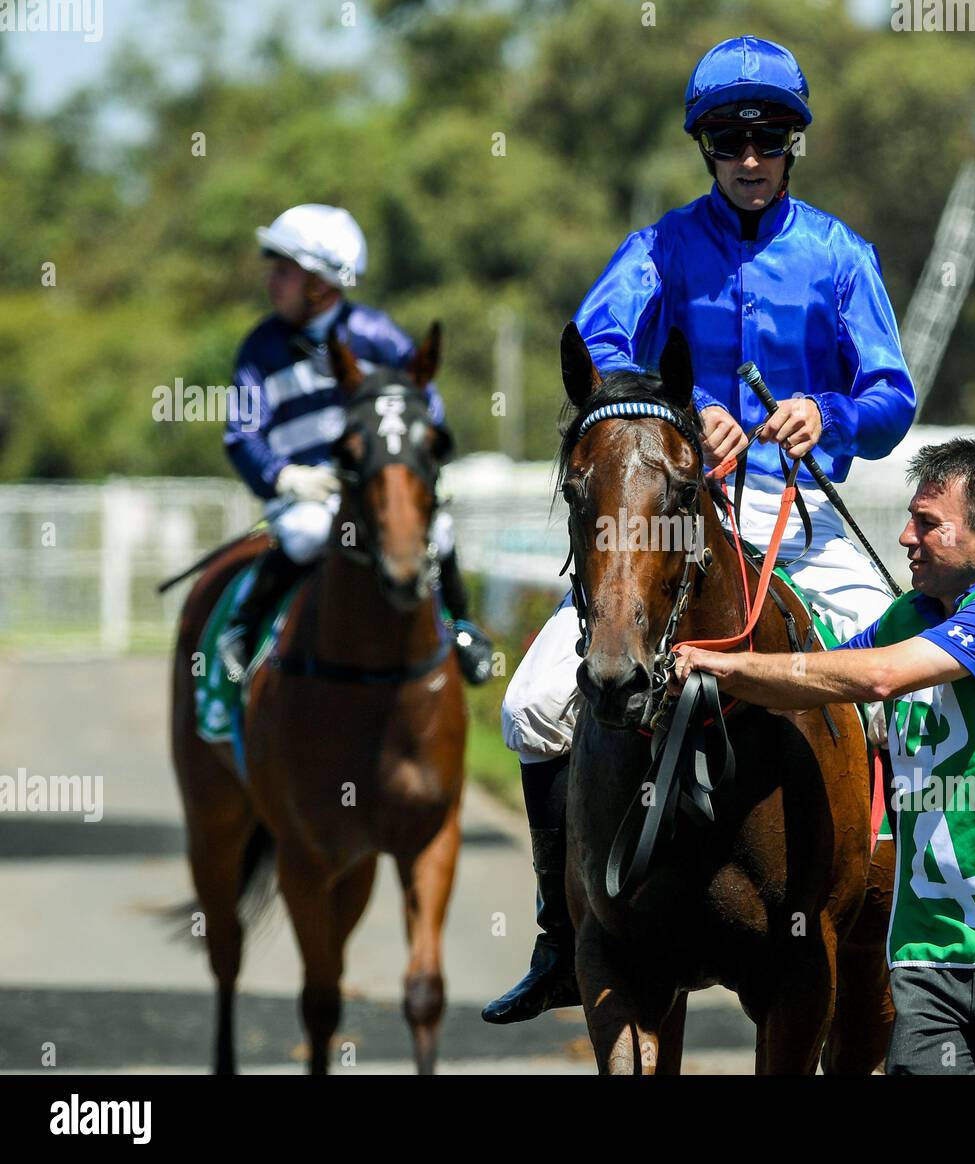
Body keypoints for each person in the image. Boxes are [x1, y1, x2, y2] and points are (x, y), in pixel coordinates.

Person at [485, 36, 916, 1024]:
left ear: (793, 145)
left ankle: (892, 930)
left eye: (768, 138)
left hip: (797, 519)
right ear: (705, 148)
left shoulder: (842, 258)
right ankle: (564, 929)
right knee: (532, 707)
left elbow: (892, 395)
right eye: (729, 140)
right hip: (666, 522)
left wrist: (830, 414)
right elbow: (599, 346)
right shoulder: (657, 251)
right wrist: (670, 412)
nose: (750, 156)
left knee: (887, 694)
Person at [672, 437, 975, 1074]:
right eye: (909, 518)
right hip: (931, 967)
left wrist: (723, 665)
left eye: (927, 523)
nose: (904, 537)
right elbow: (818, 671)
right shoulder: (913, 614)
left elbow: (876, 677)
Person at [218, 203, 494, 686]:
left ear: (320, 284)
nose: (271, 282)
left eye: (283, 272)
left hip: (377, 492)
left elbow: (425, 408)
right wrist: (285, 476)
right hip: (307, 496)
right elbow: (241, 435)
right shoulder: (258, 349)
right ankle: (242, 630)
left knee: (441, 531)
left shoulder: (379, 337)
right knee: (305, 533)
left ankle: (463, 625)